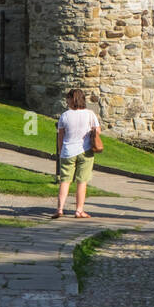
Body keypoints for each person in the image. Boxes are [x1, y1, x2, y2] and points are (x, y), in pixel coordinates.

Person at [55, 88, 101, 219]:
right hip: (85, 150)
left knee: (65, 181)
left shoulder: (65, 115)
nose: (67, 101)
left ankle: (60, 209)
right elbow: (98, 131)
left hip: (68, 151)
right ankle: (79, 210)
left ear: (71, 99)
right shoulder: (90, 114)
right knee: (82, 181)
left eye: (67, 98)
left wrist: (60, 150)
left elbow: (60, 136)